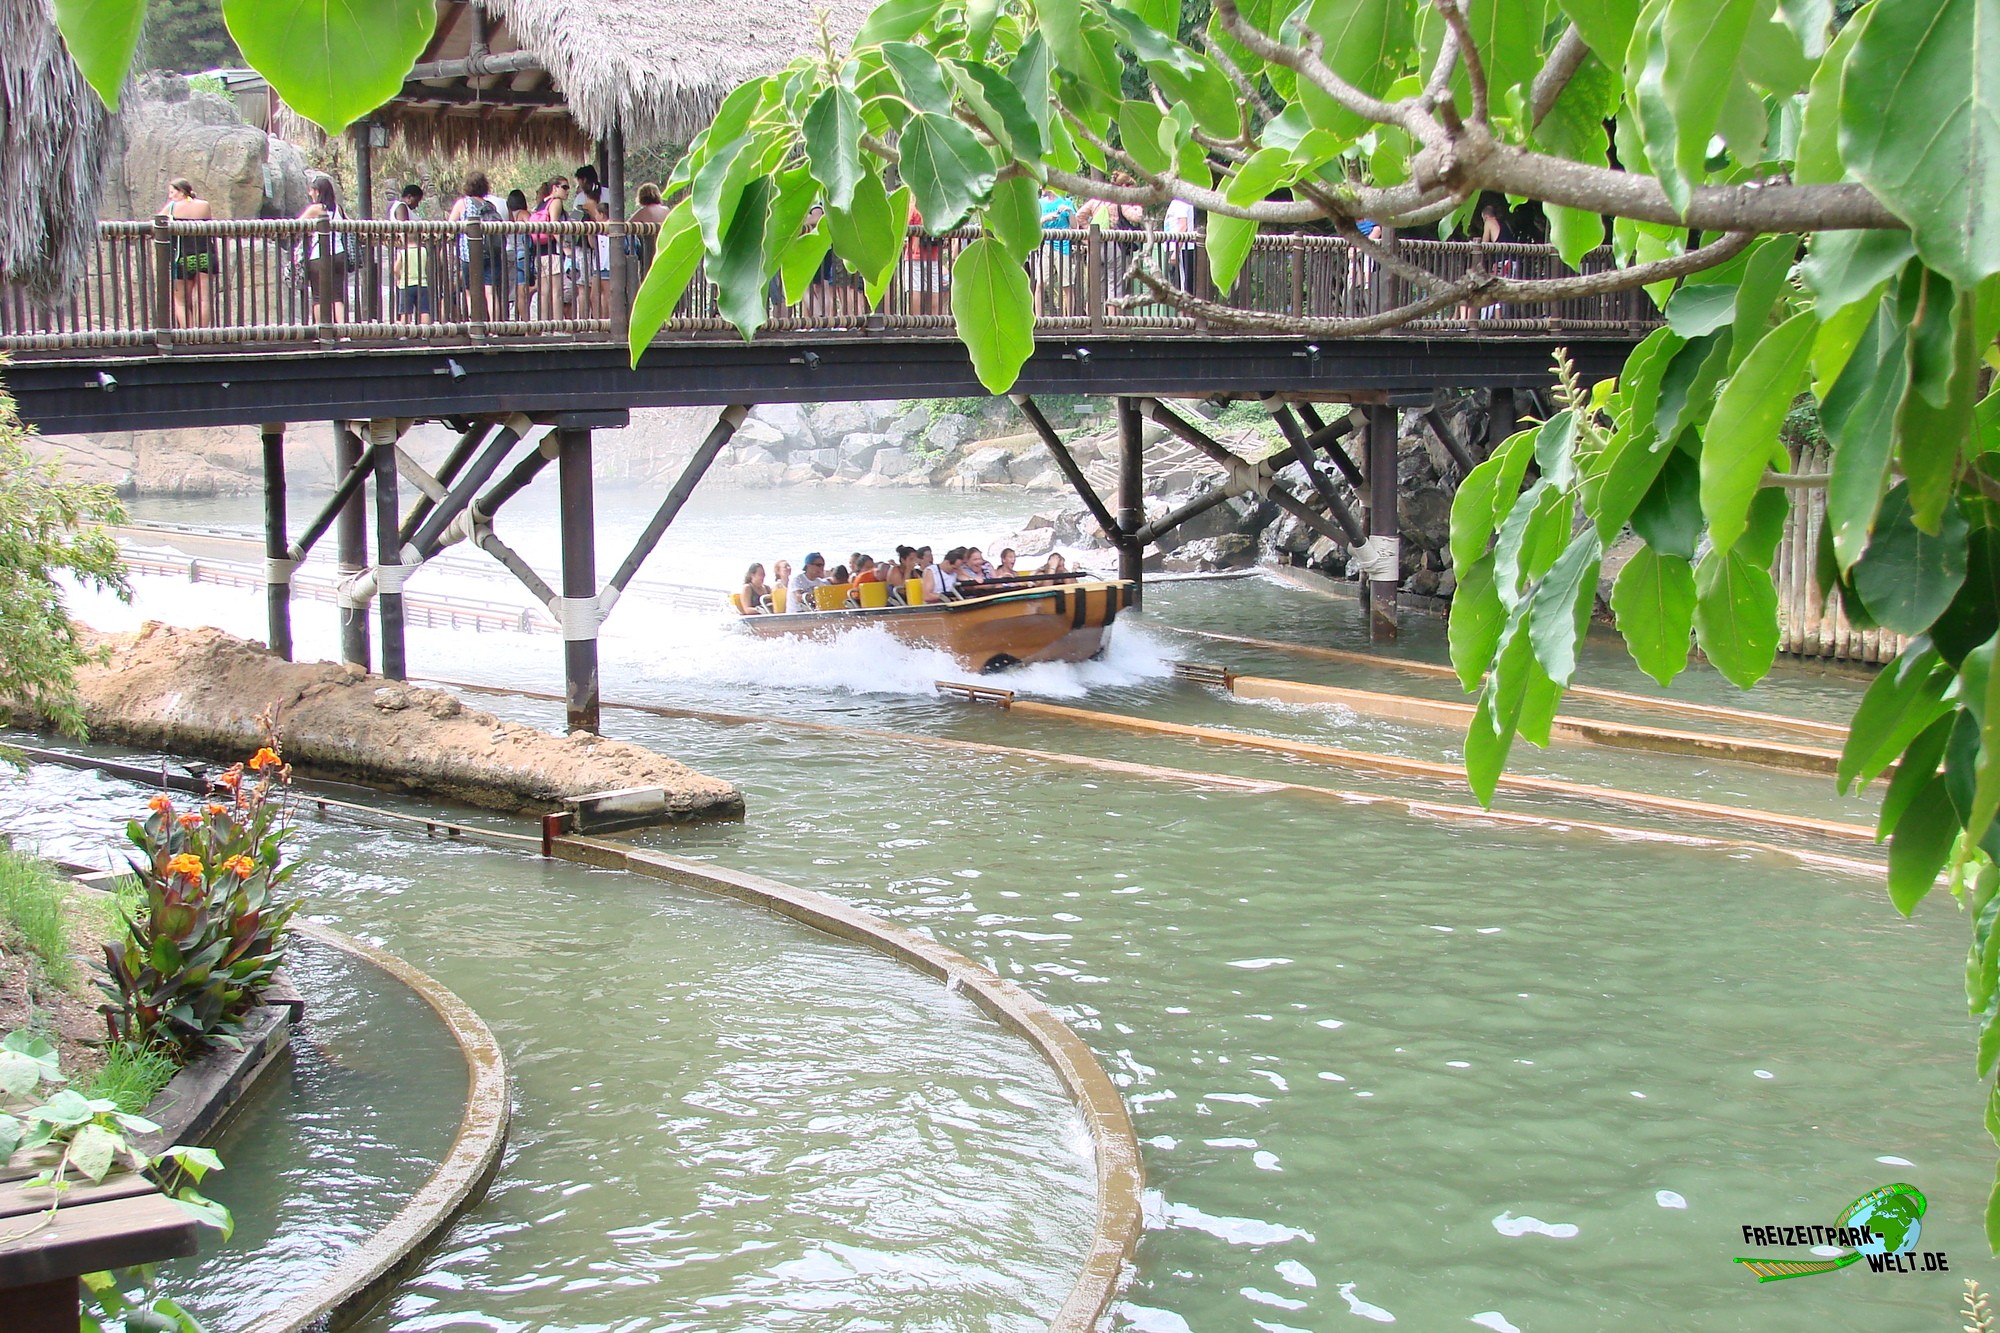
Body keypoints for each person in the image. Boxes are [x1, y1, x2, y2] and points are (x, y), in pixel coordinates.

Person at [1077, 172, 1147, 318]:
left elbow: (1080, 215)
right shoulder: (1119, 200)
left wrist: (1089, 234)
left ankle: (1094, 321)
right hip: (1112, 245)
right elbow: (1136, 217)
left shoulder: (1097, 200)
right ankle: (1113, 321)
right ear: (1124, 186)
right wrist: (1138, 205)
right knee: (1114, 284)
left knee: (1096, 285)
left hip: (1095, 246)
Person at [162, 178, 215, 329]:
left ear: (181, 192)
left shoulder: (172, 207)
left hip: (183, 256)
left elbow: (157, 223)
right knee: (204, 299)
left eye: (172, 192)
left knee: (181, 301)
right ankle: (202, 334)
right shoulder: (204, 205)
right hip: (205, 254)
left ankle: (188, 334)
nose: (170, 196)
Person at [298, 175, 349, 323]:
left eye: (312, 190)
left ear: (318, 192)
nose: (310, 194)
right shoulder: (339, 209)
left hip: (319, 256)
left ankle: (322, 328)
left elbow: (297, 224)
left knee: (318, 297)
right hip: (339, 254)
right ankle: (342, 328)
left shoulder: (316, 209)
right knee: (337, 296)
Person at [389, 183, 431, 327]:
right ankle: (420, 331)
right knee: (420, 308)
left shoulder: (402, 207)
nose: (417, 205)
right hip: (411, 253)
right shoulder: (401, 207)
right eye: (416, 201)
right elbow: (405, 227)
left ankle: (406, 330)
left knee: (407, 307)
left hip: (410, 263)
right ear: (409, 197)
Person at [1036, 186, 1077, 315]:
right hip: (1046, 246)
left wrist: (1069, 211)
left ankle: (1070, 320)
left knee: (1067, 285)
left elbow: (1075, 227)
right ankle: (1039, 319)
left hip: (1063, 247)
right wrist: (1046, 218)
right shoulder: (1039, 204)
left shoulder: (1066, 201)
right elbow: (1034, 225)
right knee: (1040, 283)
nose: (1041, 188)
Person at [505, 188, 534, 319]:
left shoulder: (509, 216)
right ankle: (527, 322)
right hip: (523, 253)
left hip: (510, 252)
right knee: (525, 290)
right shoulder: (523, 214)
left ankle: (521, 319)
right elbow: (533, 229)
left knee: (517, 290)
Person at [628, 183, 668, 275]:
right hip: (666, 250)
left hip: (649, 255)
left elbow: (626, 227)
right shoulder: (667, 210)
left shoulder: (642, 212)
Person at [1164, 196, 1197, 292]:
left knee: (1182, 288)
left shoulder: (1181, 202)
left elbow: (1183, 226)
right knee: (1176, 286)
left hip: (1181, 249)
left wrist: (1176, 251)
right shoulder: (1177, 201)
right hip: (1176, 248)